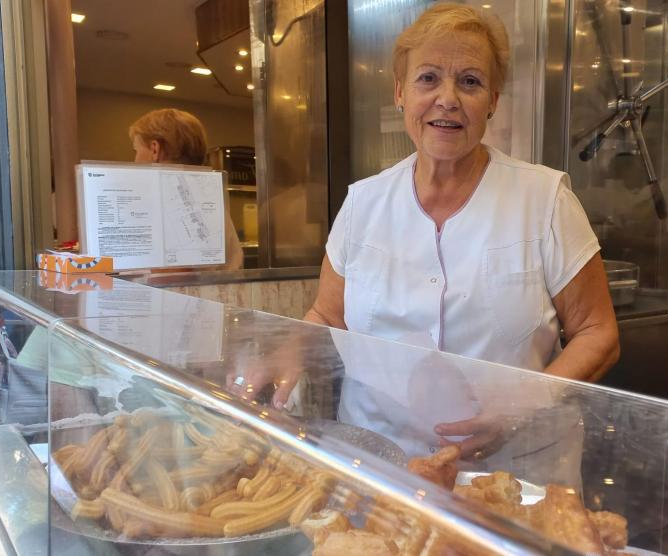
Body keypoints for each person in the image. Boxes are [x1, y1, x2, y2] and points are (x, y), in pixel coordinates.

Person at [232, 4, 619, 467]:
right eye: (428, 78)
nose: (448, 98)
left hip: (515, 469)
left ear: (493, 100)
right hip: (381, 464)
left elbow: (598, 333)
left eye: (470, 81)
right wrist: (290, 349)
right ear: (400, 93)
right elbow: (329, 315)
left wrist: (523, 404)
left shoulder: (545, 199)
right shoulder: (363, 203)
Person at [128, 108, 244, 271]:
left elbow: (173, 280)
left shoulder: (169, 203)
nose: (135, 160)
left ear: (155, 149)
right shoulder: (209, 200)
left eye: (136, 150)